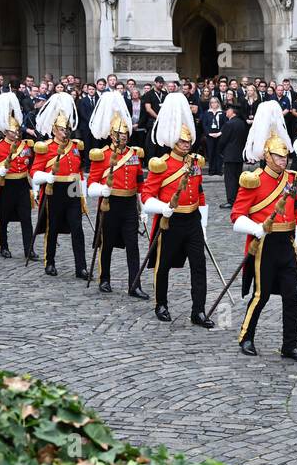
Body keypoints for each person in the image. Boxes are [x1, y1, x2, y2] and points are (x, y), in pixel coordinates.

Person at [231, 100, 297, 361]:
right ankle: (246, 336)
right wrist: (257, 228)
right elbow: (236, 217)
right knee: (261, 295)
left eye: (285, 156)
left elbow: (295, 213)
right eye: (278, 156)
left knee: (292, 297)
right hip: (263, 245)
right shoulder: (253, 180)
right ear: (267, 155)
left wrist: (296, 241)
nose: (283, 160)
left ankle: (290, 344)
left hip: (285, 243)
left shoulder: (291, 179)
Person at [141, 93, 213, 327]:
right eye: (182, 142)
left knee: (199, 265)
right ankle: (161, 303)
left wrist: (202, 219)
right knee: (163, 265)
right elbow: (146, 196)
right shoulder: (161, 164)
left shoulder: (194, 162)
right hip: (169, 221)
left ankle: (198, 311)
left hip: (191, 219)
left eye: (188, 141)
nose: (186, 145)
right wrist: (164, 208)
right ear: (173, 141)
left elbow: (199, 192)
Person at [86, 91, 147, 298]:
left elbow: (139, 182)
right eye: (120, 135)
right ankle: (104, 279)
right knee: (107, 243)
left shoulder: (134, 154)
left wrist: (142, 207)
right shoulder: (101, 155)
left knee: (133, 245)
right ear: (112, 135)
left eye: (125, 135)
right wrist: (100, 190)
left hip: (129, 204)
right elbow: (91, 184)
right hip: (110, 204)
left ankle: (134, 284)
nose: (123, 138)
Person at [30, 94, 89, 279]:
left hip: (72, 189)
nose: (66, 132)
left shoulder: (75, 146)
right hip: (54, 190)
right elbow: (34, 172)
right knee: (52, 227)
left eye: (67, 129)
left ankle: (81, 267)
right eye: (62, 129)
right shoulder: (46, 147)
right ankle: (50, 262)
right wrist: (47, 176)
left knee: (77, 229)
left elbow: (78, 171)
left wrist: (83, 194)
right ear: (54, 129)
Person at [0, 93, 37, 260]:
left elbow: (32, 166)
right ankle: (3, 247)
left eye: (17, 131)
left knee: (26, 219)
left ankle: (29, 249)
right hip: (6, 186)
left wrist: (35, 187)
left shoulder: (26, 145)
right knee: (4, 218)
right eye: (13, 132)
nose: (16, 134)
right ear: (6, 131)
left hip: (22, 185)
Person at [218, 104, 248, 209]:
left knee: (230, 179)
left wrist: (220, 151)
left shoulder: (229, 124)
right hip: (239, 155)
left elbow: (223, 140)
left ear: (233, 112)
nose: (226, 112)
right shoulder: (242, 123)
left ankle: (231, 200)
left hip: (230, 155)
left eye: (228, 110)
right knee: (237, 178)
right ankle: (238, 199)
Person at [201, 96, 225, 175]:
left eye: (215, 102)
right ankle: (211, 170)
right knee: (211, 153)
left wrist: (220, 133)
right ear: (210, 104)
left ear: (218, 103)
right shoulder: (207, 113)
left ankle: (219, 170)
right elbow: (204, 124)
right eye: (212, 102)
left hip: (220, 135)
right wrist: (209, 133)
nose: (213, 104)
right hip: (210, 135)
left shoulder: (222, 113)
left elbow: (225, 124)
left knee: (219, 153)